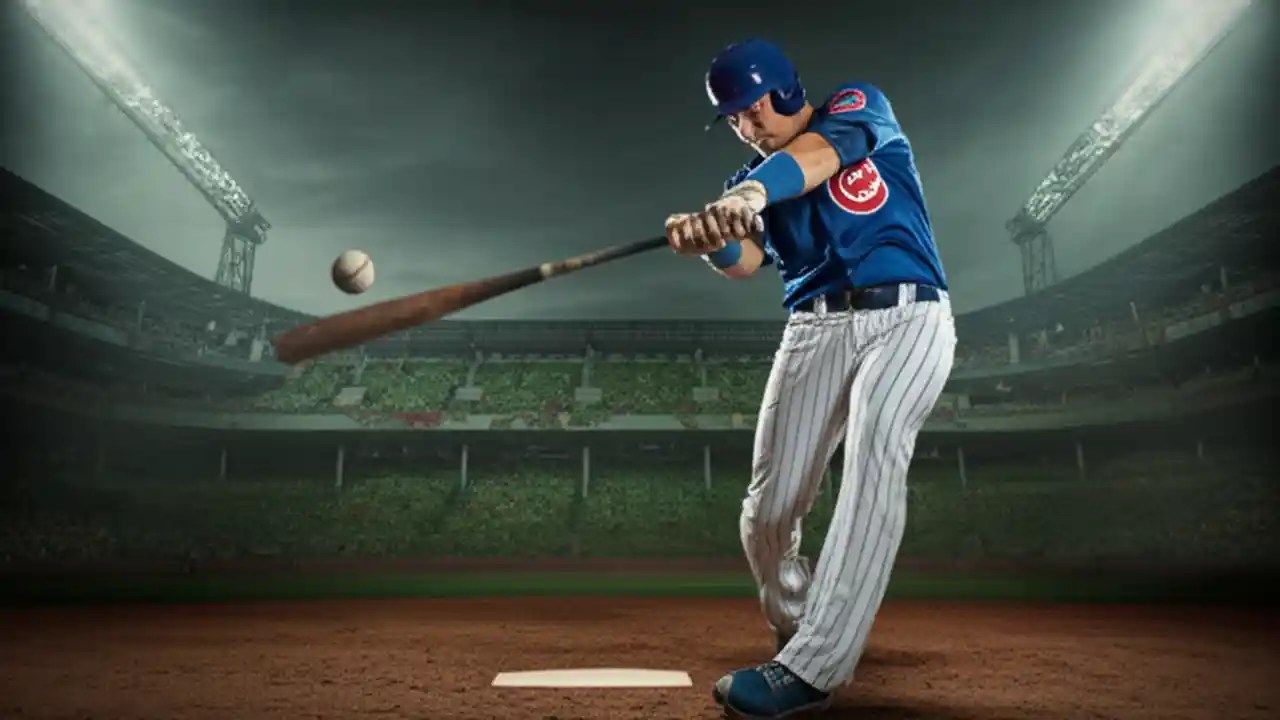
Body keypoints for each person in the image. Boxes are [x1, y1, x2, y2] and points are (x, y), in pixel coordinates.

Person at [664, 38, 957, 718]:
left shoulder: (857, 107)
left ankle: (815, 666)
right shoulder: (754, 175)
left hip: (908, 317)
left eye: (755, 104)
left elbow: (816, 160)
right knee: (768, 511)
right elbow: (745, 259)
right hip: (814, 330)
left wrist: (748, 191)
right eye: (735, 115)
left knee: (875, 456)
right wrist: (707, 239)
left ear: (789, 90)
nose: (748, 121)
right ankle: (798, 627)